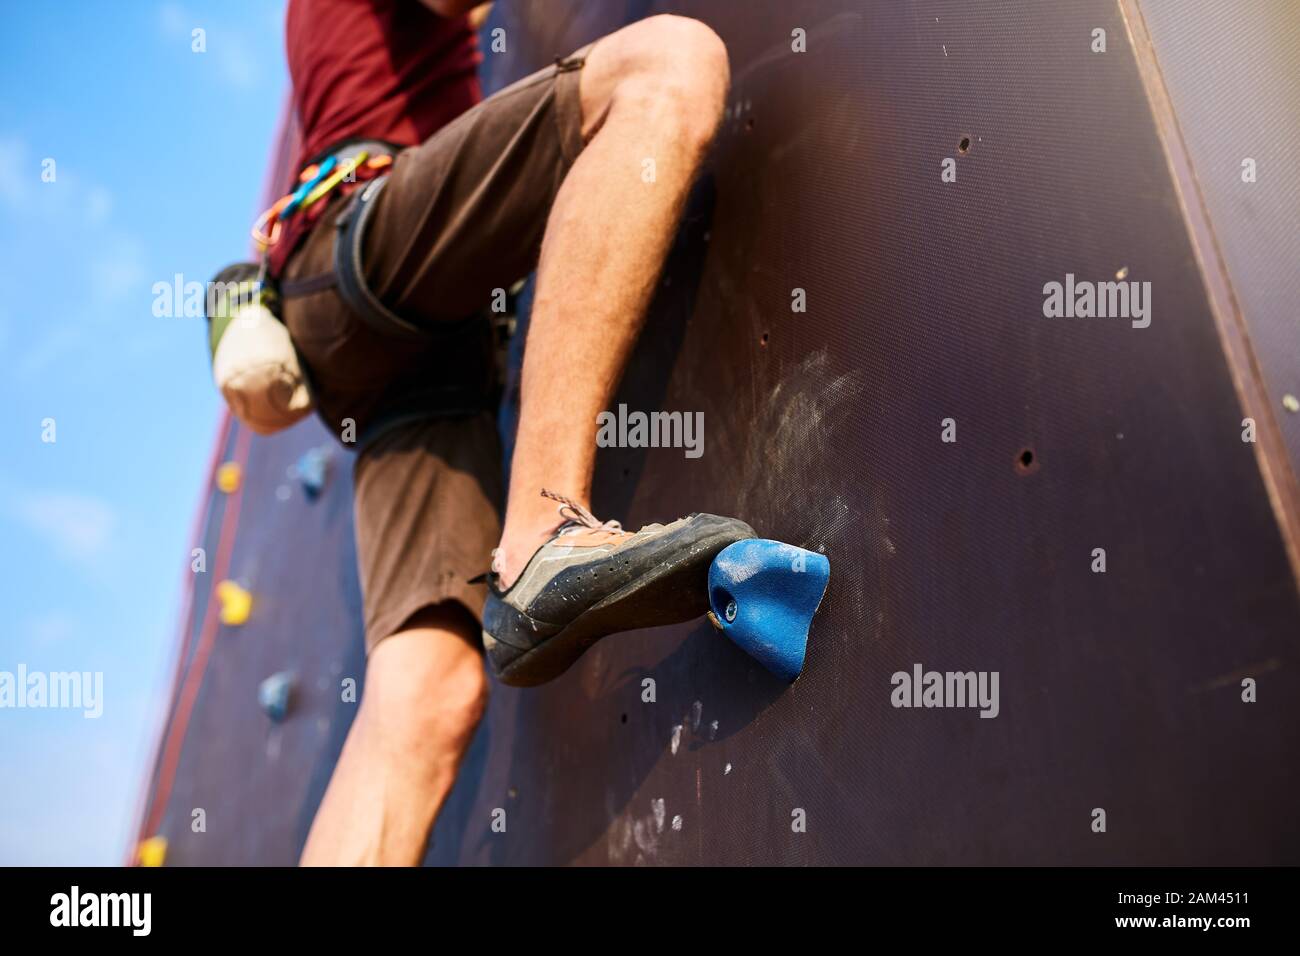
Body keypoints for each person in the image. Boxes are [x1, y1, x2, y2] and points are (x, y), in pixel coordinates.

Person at [271, 0, 751, 866]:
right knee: (666, 65)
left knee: (426, 699)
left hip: (402, 333)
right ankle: (540, 539)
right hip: (362, 238)